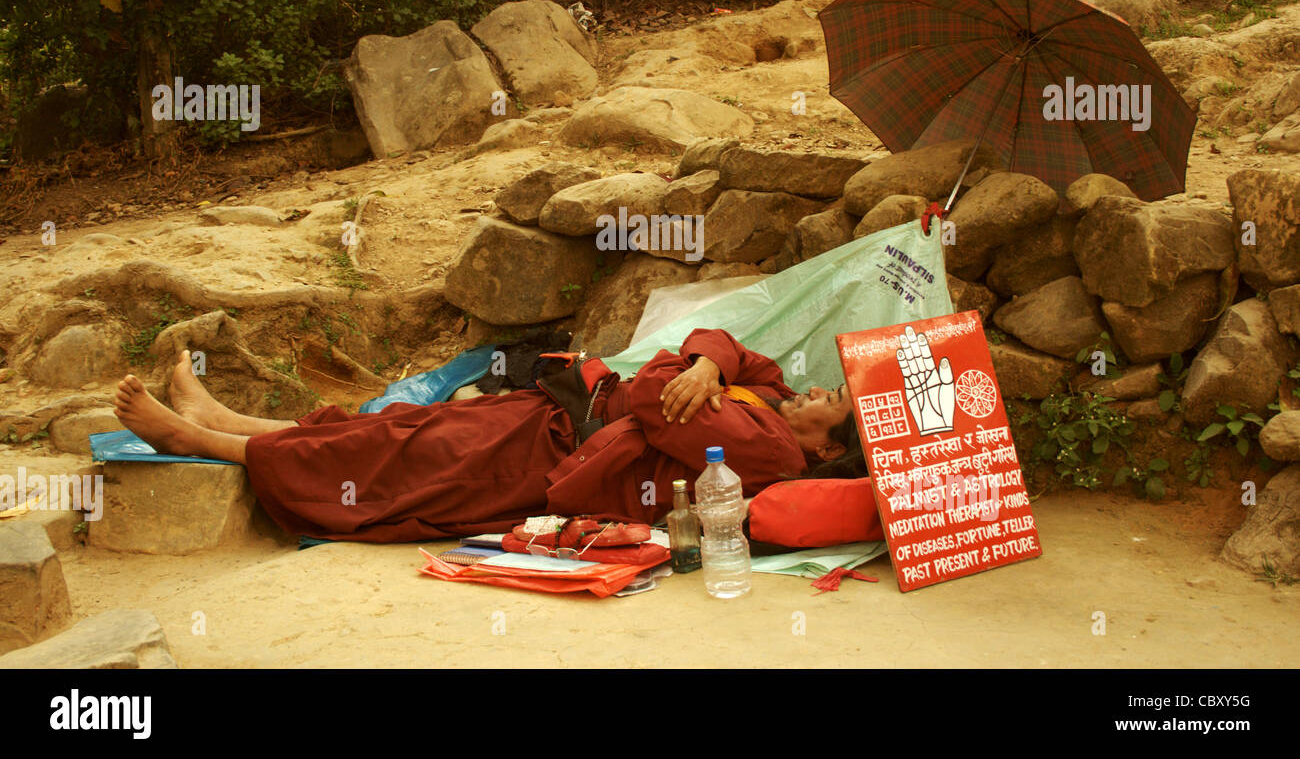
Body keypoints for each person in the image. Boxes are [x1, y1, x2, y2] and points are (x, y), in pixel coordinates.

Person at [112, 328, 864, 543]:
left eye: (832, 402)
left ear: (825, 448)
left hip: (557, 458)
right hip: (550, 410)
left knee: (400, 461)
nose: (817, 389)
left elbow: (650, 397)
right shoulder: (765, 393)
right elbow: (725, 342)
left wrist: (685, 375)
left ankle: (206, 441)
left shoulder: (771, 449)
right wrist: (704, 360)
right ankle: (228, 419)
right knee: (406, 424)